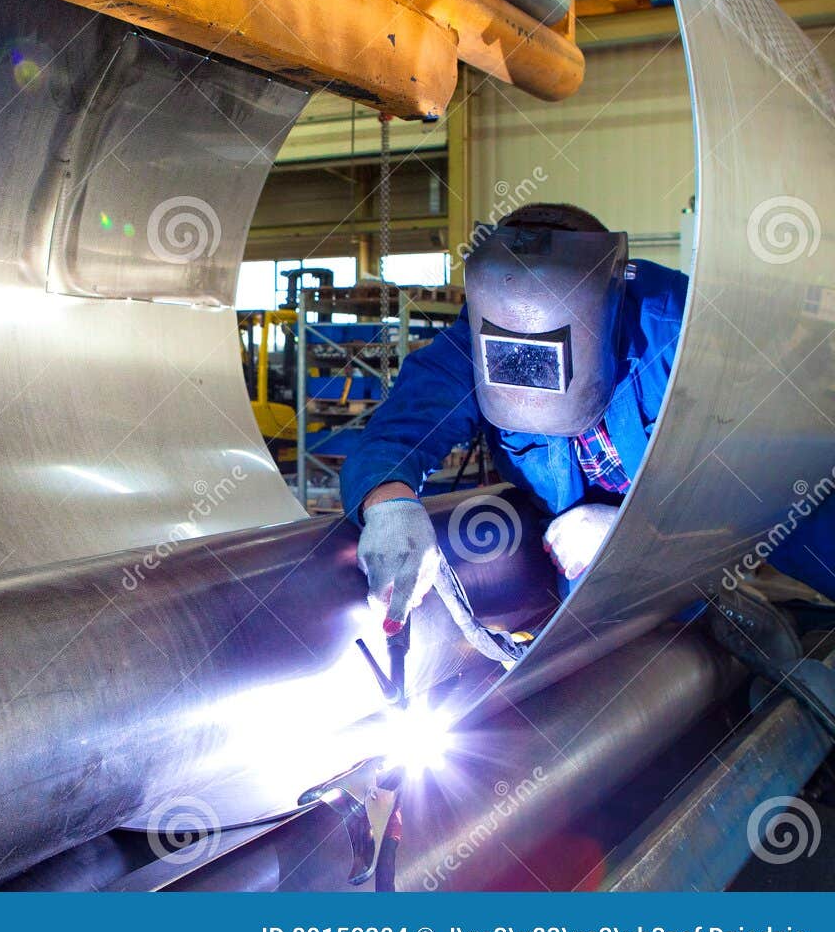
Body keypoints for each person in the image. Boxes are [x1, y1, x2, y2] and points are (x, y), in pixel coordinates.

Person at [343, 203, 833, 634]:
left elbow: (769, 465)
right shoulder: (481, 331)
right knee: (615, 643)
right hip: (590, 540)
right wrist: (389, 504)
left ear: (607, 304)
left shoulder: (684, 328)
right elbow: (404, 425)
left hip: (759, 503)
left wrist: (639, 527)